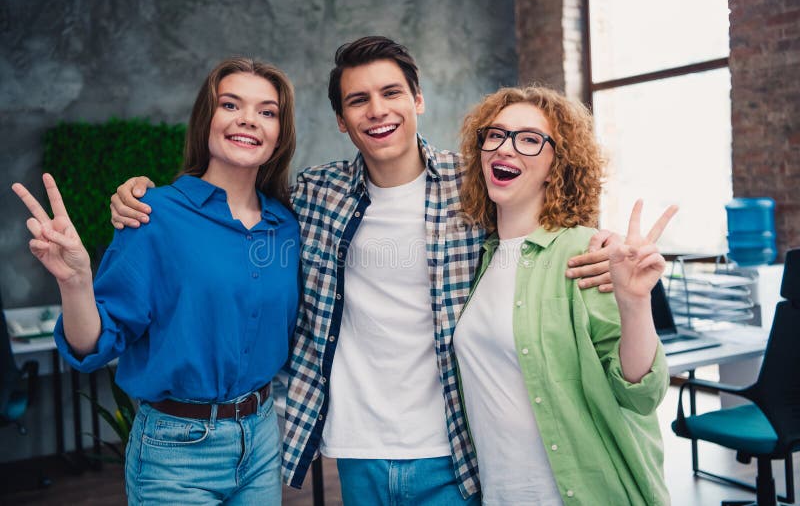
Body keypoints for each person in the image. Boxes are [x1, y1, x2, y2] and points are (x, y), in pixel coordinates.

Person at [108, 37, 617, 504]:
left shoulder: (473, 188)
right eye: (357, 100)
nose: (377, 111)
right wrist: (144, 196)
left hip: (454, 447)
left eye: (391, 92)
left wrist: (602, 247)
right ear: (341, 120)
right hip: (356, 446)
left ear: (417, 100)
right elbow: (233, 206)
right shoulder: (312, 196)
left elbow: (543, 217)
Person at [12, 57, 300, 505]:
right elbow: (94, 345)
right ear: (207, 119)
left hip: (262, 440)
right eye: (231, 104)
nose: (248, 119)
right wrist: (75, 282)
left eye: (267, 111)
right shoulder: (153, 214)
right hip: (176, 451)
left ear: (280, 133)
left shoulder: (287, 224)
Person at [454, 85, 675, 505]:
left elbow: (641, 393)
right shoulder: (481, 259)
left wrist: (635, 303)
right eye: (496, 135)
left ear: (558, 164)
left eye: (530, 140)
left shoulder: (585, 252)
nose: (505, 149)